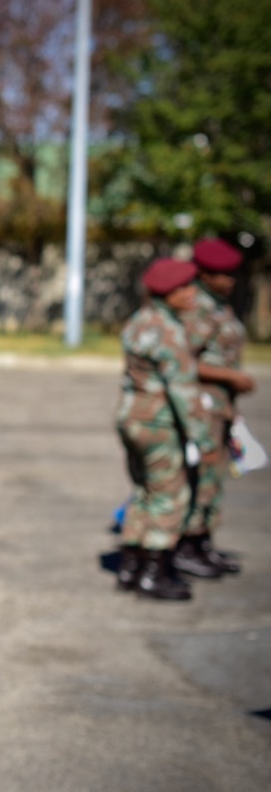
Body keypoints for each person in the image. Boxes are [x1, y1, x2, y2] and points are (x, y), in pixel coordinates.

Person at [114, 257, 212, 599]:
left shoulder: (139, 321)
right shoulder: (170, 332)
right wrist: (204, 438)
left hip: (131, 417)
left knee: (144, 491)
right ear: (167, 292)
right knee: (169, 496)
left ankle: (130, 565)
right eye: (184, 288)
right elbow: (183, 390)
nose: (192, 294)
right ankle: (154, 573)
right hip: (158, 423)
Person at [176, 237, 256, 576]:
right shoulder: (197, 307)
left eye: (232, 273)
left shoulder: (219, 304)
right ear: (205, 275)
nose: (231, 280)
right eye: (223, 274)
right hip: (201, 404)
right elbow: (183, 361)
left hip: (220, 406)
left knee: (215, 475)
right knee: (200, 474)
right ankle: (187, 544)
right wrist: (231, 376)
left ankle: (203, 542)